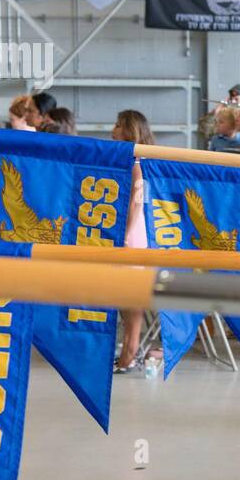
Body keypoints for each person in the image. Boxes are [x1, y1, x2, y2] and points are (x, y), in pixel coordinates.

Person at [111, 110, 156, 374]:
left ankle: (130, 350)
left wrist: (126, 234)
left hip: (133, 232)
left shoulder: (137, 162)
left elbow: (136, 201)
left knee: (131, 296)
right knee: (123, 294)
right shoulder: (136, 158)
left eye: (118, 125)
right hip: (132, 229)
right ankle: (128, 348)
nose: (113, 129)